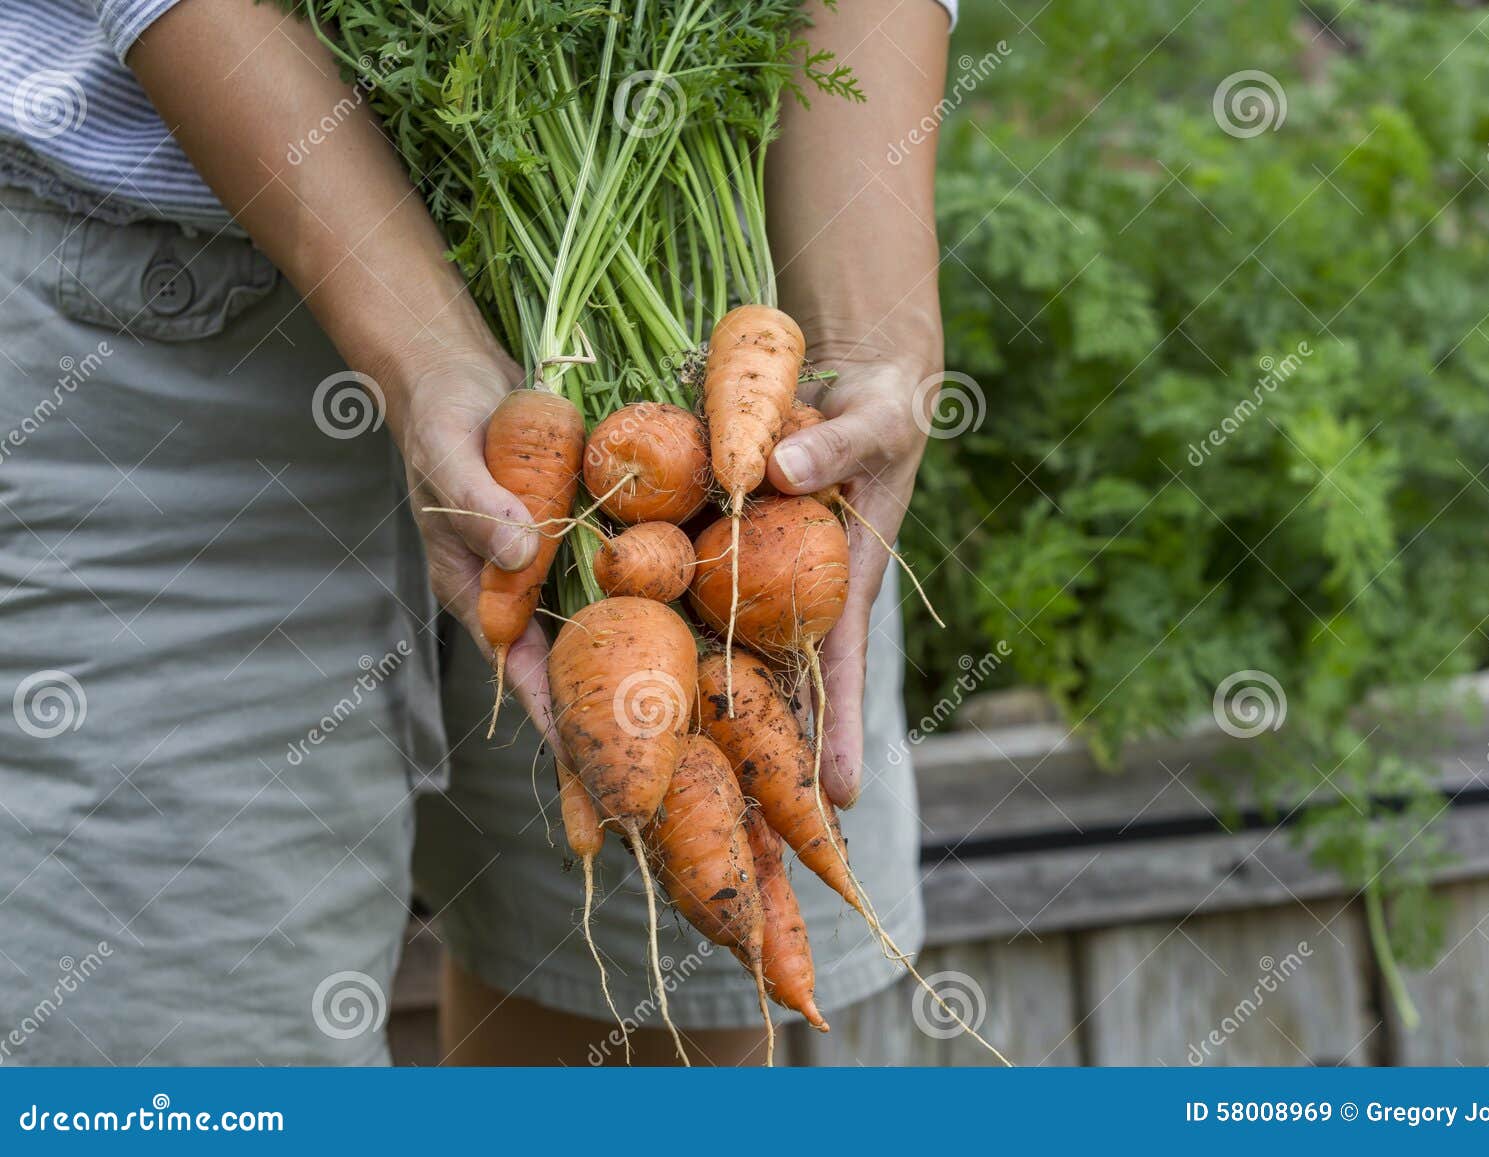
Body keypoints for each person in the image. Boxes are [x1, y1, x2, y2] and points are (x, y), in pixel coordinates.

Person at [0, 0, 952, 1065]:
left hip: (710, 315)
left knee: (651, 1040)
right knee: (186, 1059)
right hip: (168, 321)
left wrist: (870, 321)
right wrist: (421, 346)